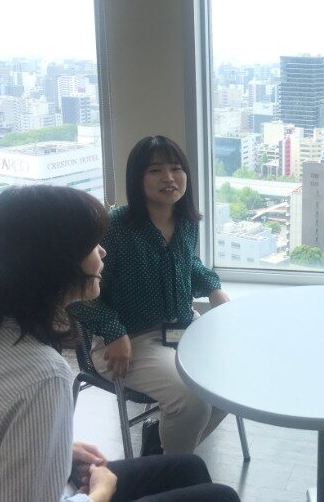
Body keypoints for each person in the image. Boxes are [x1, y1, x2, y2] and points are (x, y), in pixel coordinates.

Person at [0, 185, 239, 502]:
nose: (102, 252)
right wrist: (100, 493)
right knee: (220, 496)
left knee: (189, 468)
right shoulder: (43, 376)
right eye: (91, 245)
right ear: (54, 264)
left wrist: (57, 449)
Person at [69, 135, 231, 456]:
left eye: (176, 168)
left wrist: (213, 288)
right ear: (137, 178)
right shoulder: (114, 228)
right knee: (191, 399)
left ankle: (160, 450)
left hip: (181, 329)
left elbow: (187, 263)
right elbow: (79, 293)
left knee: (231, 381)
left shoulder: (184, 220)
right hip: (128, 340)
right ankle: (170, 470)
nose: (169, 178)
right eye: (155, 171)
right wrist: (114, 331)